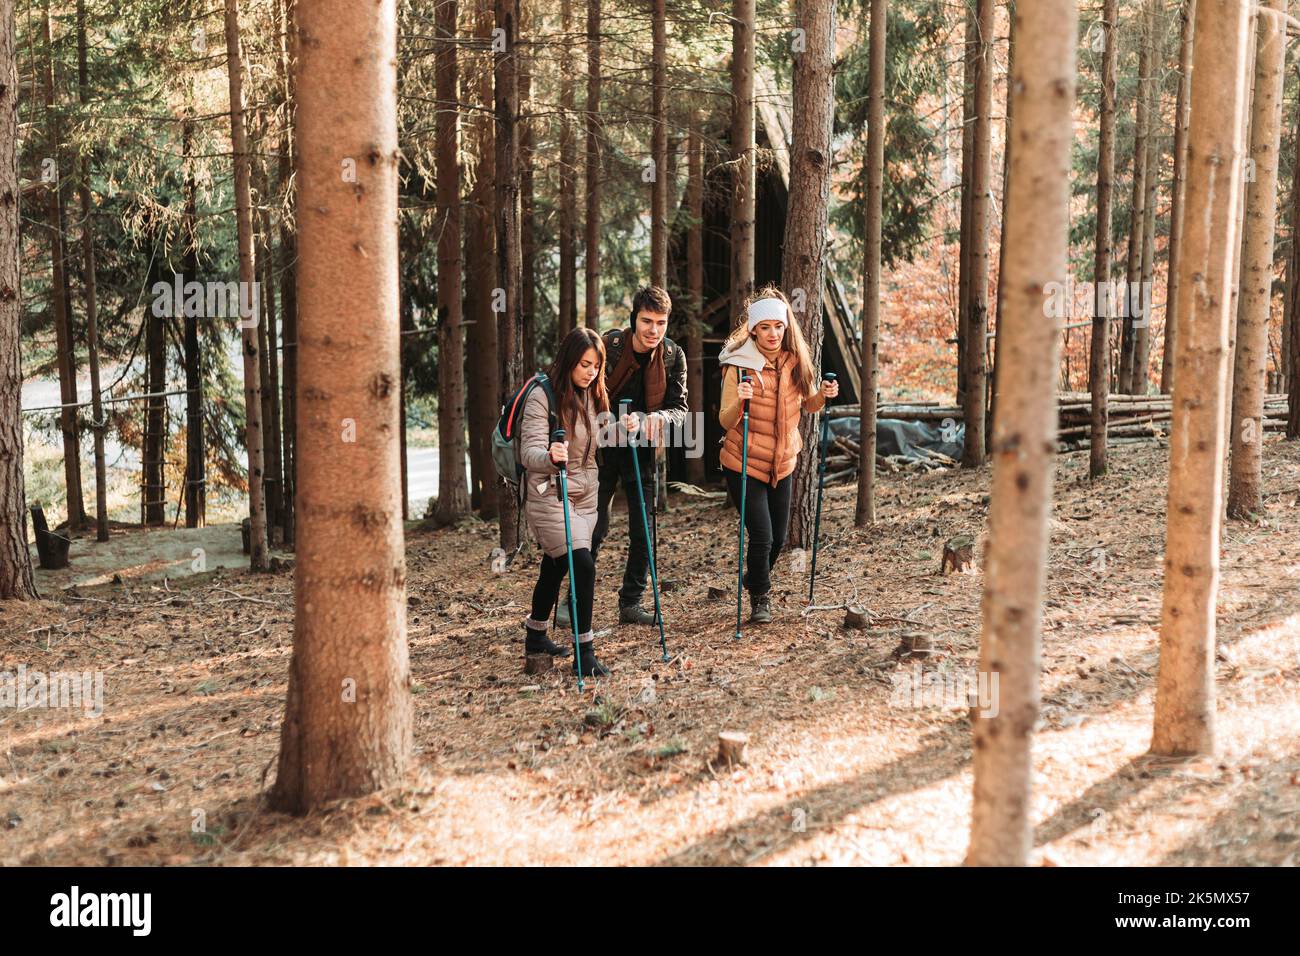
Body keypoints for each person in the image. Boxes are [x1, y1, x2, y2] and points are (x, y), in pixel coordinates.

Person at [558, 285, 689, 628]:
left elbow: (680, 409)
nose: (654, 330)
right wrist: (608, 422)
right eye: (647, 321)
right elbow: (581, 392)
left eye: (661, 323)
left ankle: (631, 603)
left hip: (643, 452)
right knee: (592, 528)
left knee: (643, 531)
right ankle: (571, 602)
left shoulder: (674, 356)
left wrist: (655, 420)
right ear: (634, 319)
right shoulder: (609, 347)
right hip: (600, 451)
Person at [718, 286, 839, 623]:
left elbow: (810, 403)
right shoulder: (739, 365)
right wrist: (741, 401)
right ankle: (760, 599)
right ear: (754, 329)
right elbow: (725, 421)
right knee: (762, 534)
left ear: (786, 328)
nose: (773, 334)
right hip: (743, 463)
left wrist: (825, 395)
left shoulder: (794, 362)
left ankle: (754, 578)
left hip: (782, 462)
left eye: (779, 326)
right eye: (765, 327)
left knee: (780, 538)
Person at [518, 327, 612, 676]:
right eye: (585, 364)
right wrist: (550, 455)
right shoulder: (543, 395)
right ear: (569, 360)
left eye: (596, 366)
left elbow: (600, 440)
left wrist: (629, 428)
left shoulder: (593, 394)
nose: (590, 371)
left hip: (585, 496)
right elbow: (528, 452)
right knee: (582, 565)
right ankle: (584, 652)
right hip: (549, 493)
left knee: (556, 564)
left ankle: (536, 633)